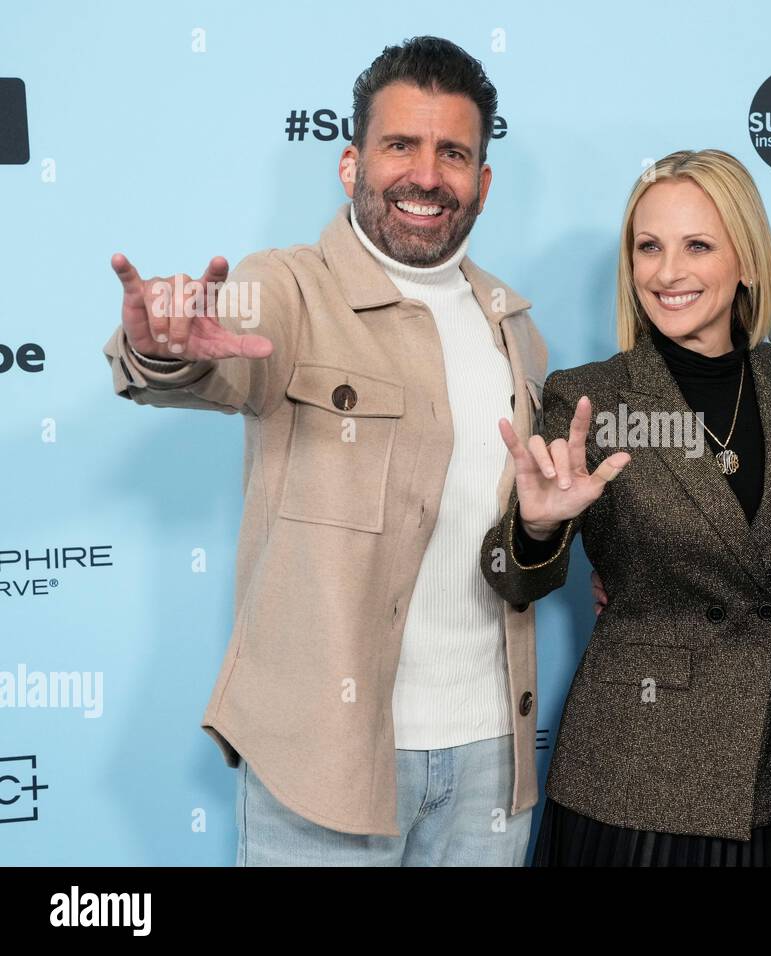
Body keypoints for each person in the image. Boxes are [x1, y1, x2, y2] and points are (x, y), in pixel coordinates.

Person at [102, 36, 547, 866]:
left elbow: (522, 548)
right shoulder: (288, 288)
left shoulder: (516, 331)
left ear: (482, 182)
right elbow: (209, 343)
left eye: (453, 153)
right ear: (351, 165)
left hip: (491, 758)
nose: (425, 175)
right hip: (326, 760)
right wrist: (166, 345)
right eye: (400, 146)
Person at [479, 148, 771, 866]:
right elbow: (507, 573)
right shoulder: (592, 395)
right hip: (636, 776)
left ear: (747, 261)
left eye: (697, 245)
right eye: (648, 247)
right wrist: (539, 525)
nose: (667, 272)